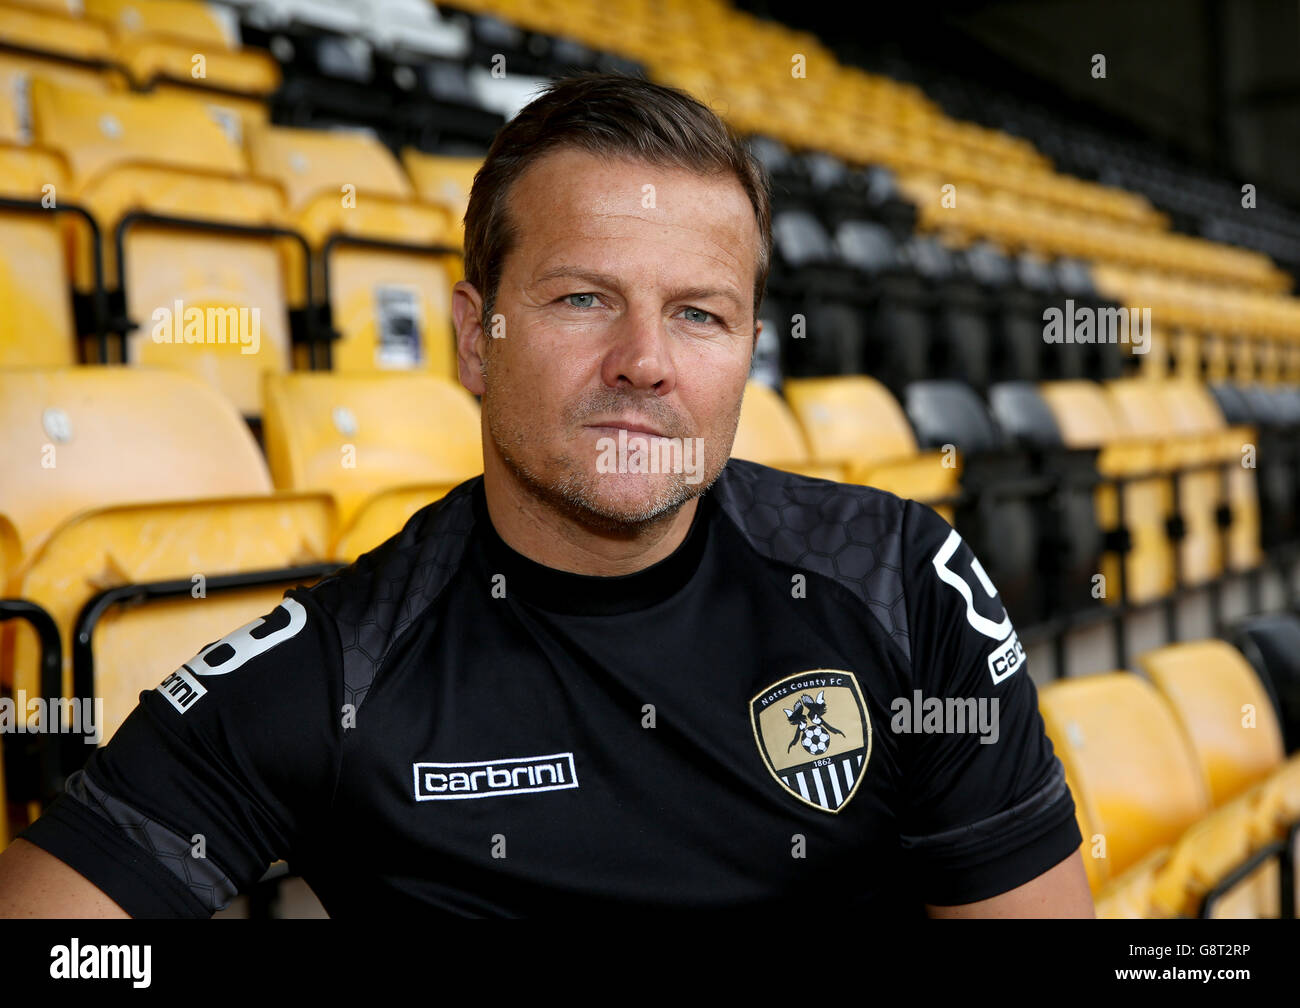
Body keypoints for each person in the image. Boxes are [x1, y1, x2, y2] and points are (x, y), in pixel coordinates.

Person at [0, 72, 1093, 917]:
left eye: (699, 315)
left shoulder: (902, 583)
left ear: (748, 351)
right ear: (477, 340)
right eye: (582, 298)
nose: (644, 361)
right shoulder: (337, 671)